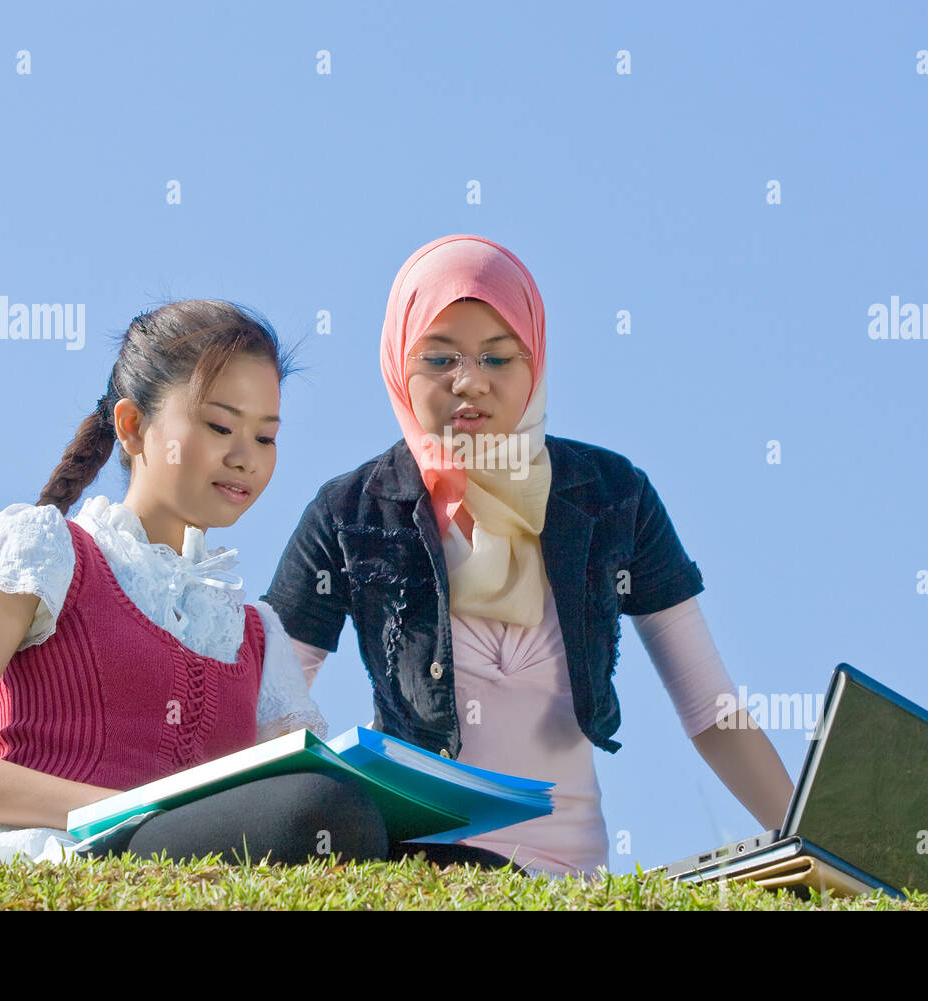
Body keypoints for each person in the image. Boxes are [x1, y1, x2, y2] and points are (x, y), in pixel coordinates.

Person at [261, 235, 796, 878]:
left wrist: (817, 850)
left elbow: (712, 713)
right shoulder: (351, 511)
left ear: (534, 358)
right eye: (439, 358)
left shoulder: (611, 495)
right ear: (397, 365)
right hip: (420, 867)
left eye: (497, 356)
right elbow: (270, 707)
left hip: (573, 874)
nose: (470, 382)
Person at [0, 300, 390, 869]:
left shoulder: (255, 633)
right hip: (66, 854)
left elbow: (281, 800)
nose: (245, 458)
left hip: (189, 862)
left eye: (266, 437)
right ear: (132, 426)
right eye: (220, 426)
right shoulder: (46, 549)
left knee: (464, 861)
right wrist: (129, 809)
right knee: (320, 809)